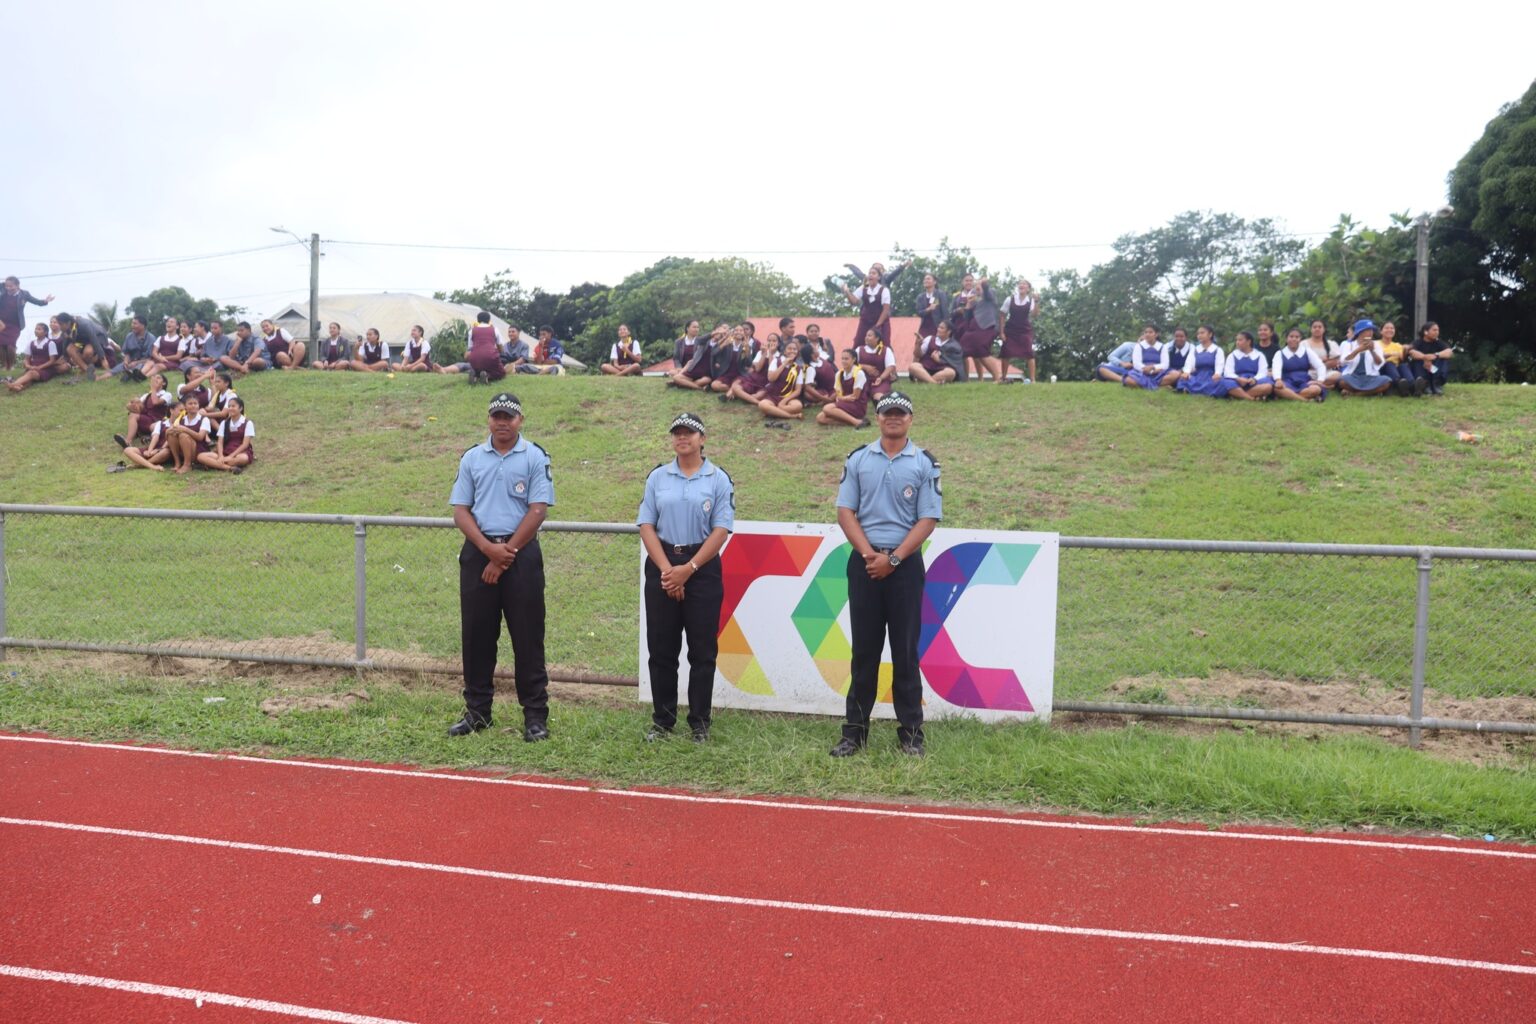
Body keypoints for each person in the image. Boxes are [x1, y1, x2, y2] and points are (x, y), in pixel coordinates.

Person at [832, 391, 942, 758]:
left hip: (905, 567)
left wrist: (893, 559)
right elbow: (845, 511)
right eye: (886, 412)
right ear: (877, 418)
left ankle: (911, 733)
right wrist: (868, 554)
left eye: (900, 413)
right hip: (864, 563)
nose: (893, 417)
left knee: (905, 652)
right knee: (864, 651)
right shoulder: (859, 459)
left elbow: (928, 519)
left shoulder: (924, 463)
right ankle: (854, 733)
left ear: (910, 419)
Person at [448, 392, 555, 741]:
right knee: (477, 637)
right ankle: (477, 712)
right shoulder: (473, 458)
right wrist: (487, 549)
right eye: (497, 415)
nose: (502, 422)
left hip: (520, 554)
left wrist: (505, 552)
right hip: (479, 551)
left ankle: (535, 717)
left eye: (509, 416)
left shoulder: (535, 457)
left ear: (520, 420)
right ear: (488, 419)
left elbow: (538, 509)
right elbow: (460, 510)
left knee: (527, 637)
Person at [637, 412, 735, 742]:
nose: (683, 438)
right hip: (664, 566)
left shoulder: (718, 479)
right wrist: (668, 571)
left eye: (689, 433)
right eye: (677, 433)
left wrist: (688, 569)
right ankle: (662, 721)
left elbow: (721, 530)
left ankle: (700, 723)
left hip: (701, 570)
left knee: (702, 651)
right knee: (662, 650)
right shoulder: (657, 478)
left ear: (702, 439)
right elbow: (646, 526)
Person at [952, 276, 1004, 382]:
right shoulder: (974, 299)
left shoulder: (990, 294)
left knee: (982, 351)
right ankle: (962, 378)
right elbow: (967, 317)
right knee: (962, 348)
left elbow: (987, 291)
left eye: (978, 285)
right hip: (973, 329)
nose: (977, 288)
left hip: (987, 327)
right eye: (976, 286)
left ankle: (997, 378)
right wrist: (967, 307)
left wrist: (984, 284)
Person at [0, 276, 53, 373]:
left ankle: (10, 365)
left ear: (17, 285)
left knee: (10, 344)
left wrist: (45, 301)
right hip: (2, 322)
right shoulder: (2, 288)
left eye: (11, 286)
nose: (8, 288)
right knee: (1, 345)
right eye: (7, 286)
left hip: (15, 324)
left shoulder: (24, 294)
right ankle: (4, 365)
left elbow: (36, 301)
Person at [842, 268, 892, 359]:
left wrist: (877, 326)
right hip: (865, 322)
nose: (871, 275)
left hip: (881, 322)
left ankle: (890, 369)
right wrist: (847, 291)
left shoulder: (884, 290)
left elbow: (885, 310)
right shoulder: (863, 288)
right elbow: (854, 301)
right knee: (858, 342)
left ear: (879, 277)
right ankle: (854, 366)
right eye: (869, 273)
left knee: (884, 345)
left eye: (874, 273)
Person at [816, 348, 872, 427]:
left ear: (853, 360)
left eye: (846, 359)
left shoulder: (859, 373)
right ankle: (852, 421)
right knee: (820, 418)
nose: (844, 361)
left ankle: (856, 422)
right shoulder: (839, 374)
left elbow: (855, 396)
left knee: (827, 408)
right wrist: (843, 398)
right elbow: (838, 394)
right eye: (842, 359)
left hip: (857, 405)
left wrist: (842, 398)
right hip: (844, 402)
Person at [198, 396, 255, 473]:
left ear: (240, 408)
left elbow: (245, 444)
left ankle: (215, 464)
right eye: (229, 406)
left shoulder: (247, 423)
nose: (230, 408)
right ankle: (229, 468)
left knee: (243, 458)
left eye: (233, 406)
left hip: (240, 452)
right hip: (225, 451)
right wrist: (221, 456)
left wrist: (230, 456)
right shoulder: (224, 423)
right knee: (200, 456)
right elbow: (220, 442)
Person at [122, 397, 182, 470]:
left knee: (165, 452)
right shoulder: (161, 423)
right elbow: (155, 437)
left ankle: (142, 465)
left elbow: (169, 442)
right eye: (181, 410)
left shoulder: (182, 424)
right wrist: (150, 451)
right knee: (127, 450)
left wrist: (158, 450)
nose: (183, 413)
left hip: (166, 450)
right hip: (155, 448)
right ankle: (149, 464)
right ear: (172, 411)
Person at [1337, 319, 1392, 396]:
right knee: (1342, 381)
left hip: (1371, 377)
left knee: (1387, 381)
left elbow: (1380, 362)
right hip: (1353, 377)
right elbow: (1343, 361)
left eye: (1371, 330)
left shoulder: (1376, 344)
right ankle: (1371, 392)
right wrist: (1358, 350)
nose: (1371, 332)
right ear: (1360, 332)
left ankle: (1356, 394)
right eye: (1368, 330)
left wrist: (1372, 351)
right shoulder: (1349, 344)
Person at [5, 323, 65, 392]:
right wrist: (28, 365)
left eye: (39, 329)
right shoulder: (31, 343)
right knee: (30, 379)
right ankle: (18, 388)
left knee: (31, 374)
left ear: (45, 332)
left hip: (46, 369)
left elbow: (52, 361)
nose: (36, 331)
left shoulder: (50, 343)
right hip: (33, 367)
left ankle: (13, 385)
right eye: (36, 329)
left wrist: (40, 367)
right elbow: (26, 359)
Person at [758, 336, 805, 425]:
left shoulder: (798, 368)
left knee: (798, 406)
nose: (792, 351)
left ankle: (773, 412)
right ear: (784, 351)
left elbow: (798, 390)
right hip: (773, 395)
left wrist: (784, 400)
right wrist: (784, 364)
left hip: (787, 397)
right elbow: (771, 378)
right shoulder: (776, 361)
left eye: (794, 349)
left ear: (797, 352)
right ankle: (791, 416)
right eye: (789, 349)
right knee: (762, 405)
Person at [1271, 328, 1327, 401]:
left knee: (1316, 389)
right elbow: (1276, 368)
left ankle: (1289, 396)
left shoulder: (1307, 351)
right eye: (1291, 336)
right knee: (1277, 389)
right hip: (1287, 381)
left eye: (1297, 337)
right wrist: (1278, 380)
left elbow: (1320, 366)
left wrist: (1320, 380)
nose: (1294, 339)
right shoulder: (1279, 353)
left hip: (1304, 381)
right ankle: (1305, 400)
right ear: (1286, 339)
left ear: (1300, 339)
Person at [999, 279, 1038, 384]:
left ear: (1028, 289)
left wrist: (1037, 301)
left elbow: (1034, 315)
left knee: (1029, 353)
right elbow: (1002, 315)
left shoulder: (1031, 300)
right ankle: (1003, 377)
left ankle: (1033, 380)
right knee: (1006, 352)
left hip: (1025, 330)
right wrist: (1001, 332)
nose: (1021, 285)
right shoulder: (1009, 299)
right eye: (1020, 284)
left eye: (1024, 284)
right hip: (1011, 329)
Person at [1176, 326, 1232, 397]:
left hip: (1211, 376)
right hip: (1198, 376)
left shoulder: (1217, 350)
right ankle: (1207, 392)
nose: (1199, 335)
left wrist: (1217, 373)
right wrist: (1186, 372)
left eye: (1202, 333)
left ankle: (1192, 390)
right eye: (1198, 334)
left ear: (1210, 334)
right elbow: (1189, 363)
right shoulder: (1195, 349)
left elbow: (1220, 364)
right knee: (1183, 378)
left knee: (1222, 382)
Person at [56, 312, 115, 379]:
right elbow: (66, 343)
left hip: (97, 336)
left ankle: (97, 368)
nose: (59, 326)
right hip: (83, 341)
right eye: (59, 324)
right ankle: (87, 370)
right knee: (70, 349)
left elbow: (94, 340)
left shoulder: (84, 324)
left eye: (61, 324)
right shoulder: (66, 330)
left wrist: (103, 360)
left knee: (88, 352)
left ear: (68, 322)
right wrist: (65, 357)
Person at [165, 392, 213, 474]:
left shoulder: (204, 419)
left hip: (198, 450)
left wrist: (185, 429)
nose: (193, 405)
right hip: (182, 449)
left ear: (198, 405)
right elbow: (168, 434)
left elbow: (200, 437)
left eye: (195, 403)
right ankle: (177, 462)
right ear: (185, 407)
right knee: (171, 435)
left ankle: (187, 465)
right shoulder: (181, 419)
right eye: (190, 404)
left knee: (184, 435)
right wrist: (168, 431)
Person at [1222, 331, 1274, 400]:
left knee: (1268, 386)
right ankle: (1251, 398)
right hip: (1237, 381)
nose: (1237, 342)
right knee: (1226, 383)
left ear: (1248, 342)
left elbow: (1262, 372)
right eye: (1236, 340)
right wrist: (1238, 379)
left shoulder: (1259, 355)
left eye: (1240, 340)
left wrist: (1254, 379)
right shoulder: (1232, 355)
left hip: (1253, 381)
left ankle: (1237, 395)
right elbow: (1228, 372)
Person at [726, 332, 775, 405]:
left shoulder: (780, 355)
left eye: (774, 341)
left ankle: (741, 396)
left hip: (766, 382)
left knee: (758, 395)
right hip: (755, 378)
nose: (771, 343)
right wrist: (764, 353)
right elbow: (758, 369)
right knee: (736, 387)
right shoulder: (761, 352)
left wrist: (771, 353)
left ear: (778, 343)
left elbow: (771, 370)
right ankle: (757, 403)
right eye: (769, 340)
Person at [1405, 320, 1451, 395]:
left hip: (1433, 370)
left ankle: (1436, 385)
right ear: (1425, 332)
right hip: (1422, 369)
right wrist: (1425, 358)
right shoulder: (1418, 342)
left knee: (1444, 359)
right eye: (1434, 330)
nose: (1437, 332)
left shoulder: (1439, 342)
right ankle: (1425, 385)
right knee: (1417, 360)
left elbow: (1449, 352)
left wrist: (1435, 356)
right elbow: (1411, 352)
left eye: (1438, 330)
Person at [1375, 320, 1420, 396]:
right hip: (1382, 368)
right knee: (1389, 363)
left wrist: (1406, 350)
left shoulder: (1397, 345)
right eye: (1387, 328)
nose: (1390, 330)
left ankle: (1413, 386)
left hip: (1395, 369)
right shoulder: (1375, 344)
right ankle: (1400, 385)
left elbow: (1402, 359)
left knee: (1403, 365)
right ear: (1381, 331)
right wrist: (1389, 354)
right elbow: (1373, 358)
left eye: (1392, 328)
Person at [853, 327, 897, 402]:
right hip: (862, 381)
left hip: (879, 381)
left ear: (877, 338)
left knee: (879, 398)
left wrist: (881, 378)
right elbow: (851, 365)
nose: (866, 338)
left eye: (869, 336)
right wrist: (864, 367)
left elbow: (890, 366)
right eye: (866, 336)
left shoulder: (886, 350)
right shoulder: (859, 350)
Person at [1303, 319, 1342, 390]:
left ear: (1324, 329)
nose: (1317, 329)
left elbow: (1334, 362)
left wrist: (1318, 366)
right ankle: (1326, 386)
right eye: (1314, 327)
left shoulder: (1331, 344)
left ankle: (1316, 384)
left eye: (1320, 327)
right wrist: (1323, 360)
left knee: (1338, 375)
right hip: (1309, 373)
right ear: (1311, 329)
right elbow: (1303, 363)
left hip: (1326, 372)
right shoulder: (1303, 344)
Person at [115, 316, 157, 381]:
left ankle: (130, 375)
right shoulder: (129, 336)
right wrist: (126, 360)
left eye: (135, 323)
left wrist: (136, 362)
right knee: (114, 370)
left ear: (142, 325)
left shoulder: (151, 338)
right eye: (132, 323)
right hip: (130, 362)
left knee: (138, 367)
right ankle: (97, 378)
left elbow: (151, 358)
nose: (132, 325)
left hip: (144, 362)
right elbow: (127, 352)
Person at [709, 325, 745, 394]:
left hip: (739, 375)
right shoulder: (728, 344)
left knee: (738, 382)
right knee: (714, 385)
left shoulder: (745, 346)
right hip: (726, 374)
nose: (738, 332)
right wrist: (724, 344)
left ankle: (732, 391)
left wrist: (747, 351)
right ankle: (733, 390)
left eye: (741, 330)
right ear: (732, 333)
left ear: (743, 333)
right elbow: (713, 353)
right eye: (736, 330)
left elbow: (748, 363)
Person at [667, 320, 704, 386]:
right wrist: (679, 367)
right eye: (694, 327)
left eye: (698, 327)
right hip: (682, 369)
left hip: (695, 369)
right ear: (687, 328)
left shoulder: (701, 341)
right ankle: (685, 382)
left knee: (704, 378)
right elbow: (676, 358)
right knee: (672, 372)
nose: (696, 329)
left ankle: (678, 382)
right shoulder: (679, 342)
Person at [914, 273, 948, 340]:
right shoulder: (920, 297)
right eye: (925, 279)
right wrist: (928, 309)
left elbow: (945, 312)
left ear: (934, 282)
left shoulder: (940, 294)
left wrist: (945, 327)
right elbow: (919, 313)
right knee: (920, 346)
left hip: (937, 327)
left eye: (928, 279)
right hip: (924, 327)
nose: (926, 281)